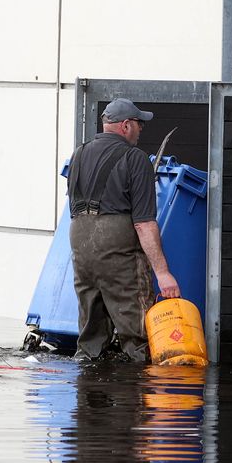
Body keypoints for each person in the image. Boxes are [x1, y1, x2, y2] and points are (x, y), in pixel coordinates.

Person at [66, 99, 181, 362]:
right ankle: (137, 396)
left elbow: (74, 209)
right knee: (137, 334)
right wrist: (163, 274)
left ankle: (87, 391)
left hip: (80, 246)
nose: (141, 129)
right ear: (126, 125)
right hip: (117, 246)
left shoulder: (78, 154)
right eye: (139, 124)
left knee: (90, 338)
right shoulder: (135, 159)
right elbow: (143, 223)